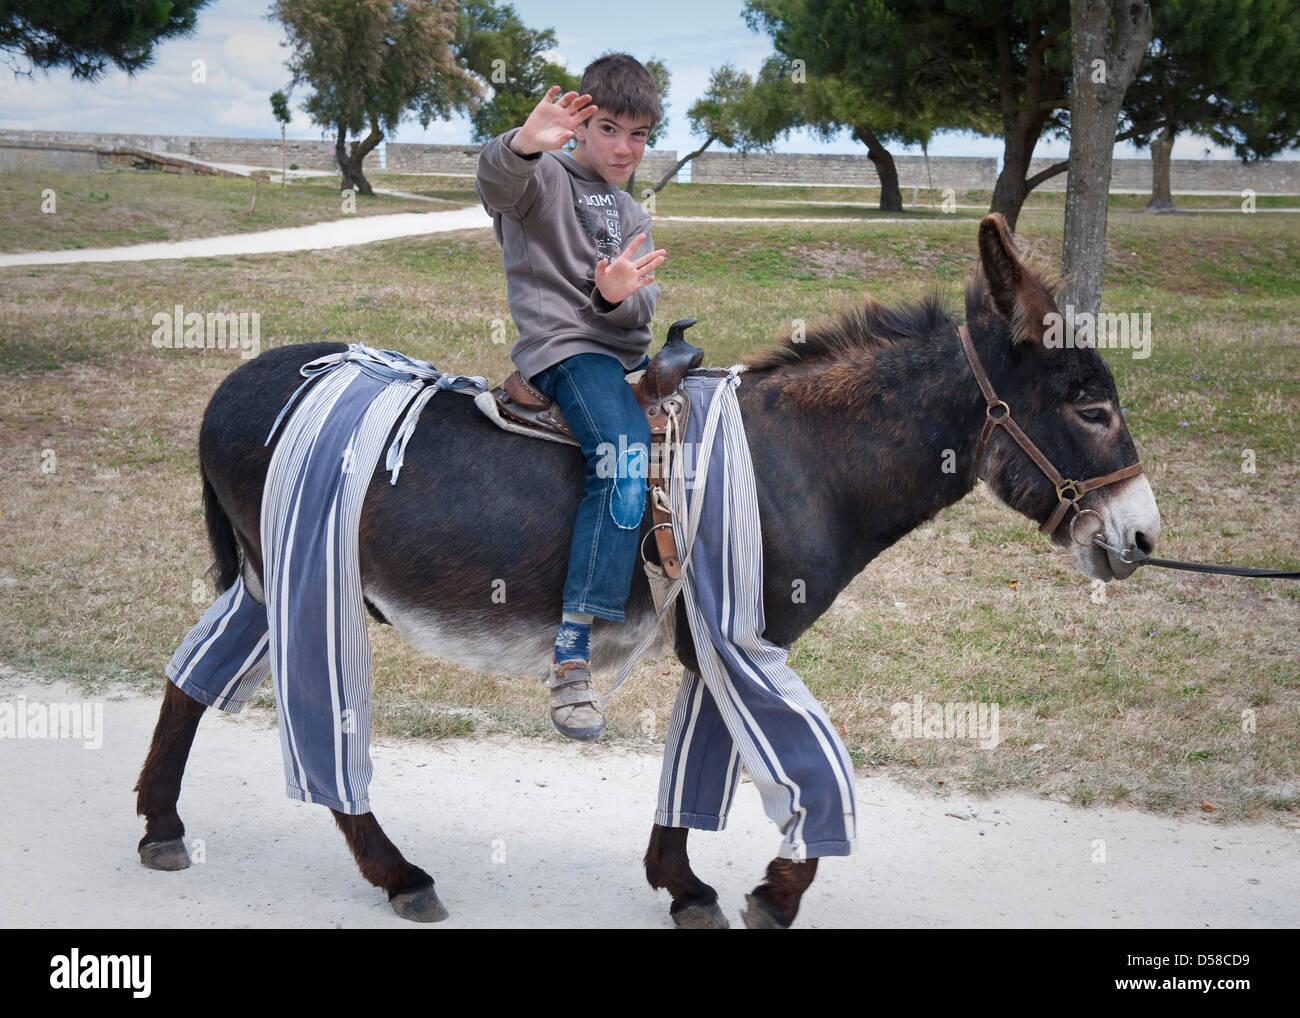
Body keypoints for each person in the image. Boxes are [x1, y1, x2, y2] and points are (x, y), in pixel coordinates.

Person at [475, 53, 667, 741]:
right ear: (582, 125)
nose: (624, 148)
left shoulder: (632, 209)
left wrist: (618, 297)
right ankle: (574, 652)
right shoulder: (542, 180)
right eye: (610, 129)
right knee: (621, 457)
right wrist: (523, 144)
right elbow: (495, 181)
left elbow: (643, 300)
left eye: (639, 135)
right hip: (565, 352)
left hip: (627, 352)